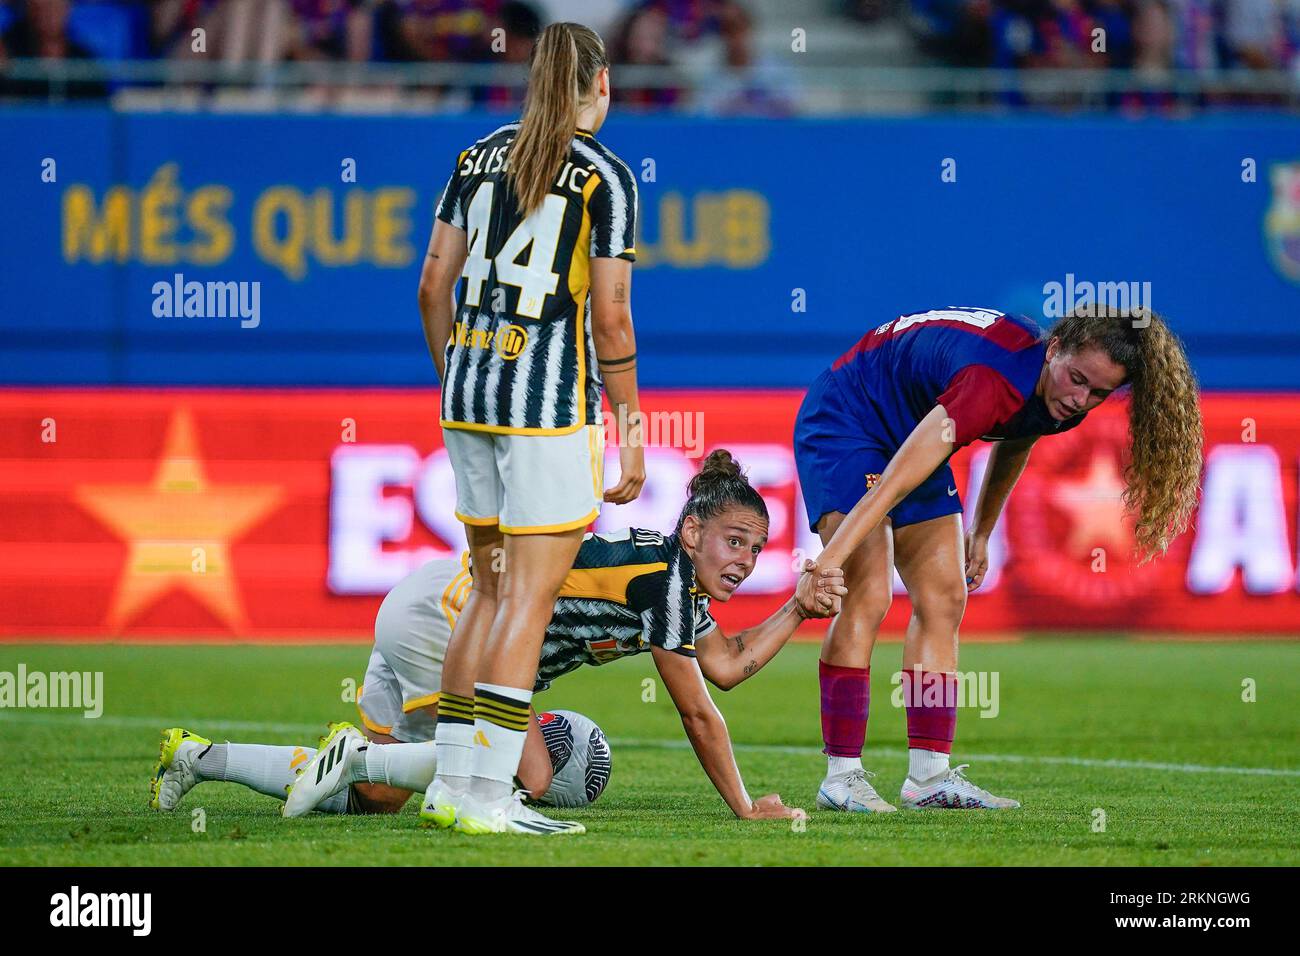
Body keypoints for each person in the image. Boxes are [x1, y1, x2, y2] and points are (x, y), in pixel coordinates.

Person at [274, 450, 845, 822]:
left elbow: (724, 664)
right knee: (531, 775)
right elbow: (698, 712)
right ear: (692, 531)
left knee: (377, 800)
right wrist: (745, 808)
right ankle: (359, 757)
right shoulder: (662, 585)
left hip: (434, 603)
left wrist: (797, 608)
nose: (745, 561)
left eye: (755, 548)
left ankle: (206, 759)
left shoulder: (670, 580)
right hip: (450, 616)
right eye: (736, 540)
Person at [792, 306, 1203, 812]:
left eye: (1098, 393)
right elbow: (896, 480)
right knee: (869, 594)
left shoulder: (1054, 392)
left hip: (909, 421)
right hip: (848, 417)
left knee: (944, 595)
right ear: (1053, 350)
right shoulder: (993, 380)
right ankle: (841, 777)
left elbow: (1016, 438)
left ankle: (928, 778)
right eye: (1076, 380)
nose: (1079, 400)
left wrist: (982, 529)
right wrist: (827, 561)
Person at [417, 21, 646, 835]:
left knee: (485, 591)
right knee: (529, 601)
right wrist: (628, 421)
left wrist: (457, 375)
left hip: (466, 396)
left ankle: (452, 782)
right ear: (602, 85)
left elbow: (430, 286)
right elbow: (611, 317)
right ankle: (485, 797)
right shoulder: (603, 178)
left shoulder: (476, 157)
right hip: (545, 412)